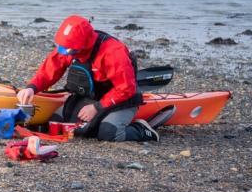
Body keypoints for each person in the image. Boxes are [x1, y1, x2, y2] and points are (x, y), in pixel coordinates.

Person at [16, 15, 171, 142]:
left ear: (83, 45)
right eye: (62, 48)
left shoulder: (113, 52)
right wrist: (32, 87)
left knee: (108, 133)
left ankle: (141, 130)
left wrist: (96, 108)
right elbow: (52, 67)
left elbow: (127, 88)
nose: (64, 52)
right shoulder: (69, 46)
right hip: (90, 96)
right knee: (56, 123)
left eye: (68, 50)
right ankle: (95, 121)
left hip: (121, 99)